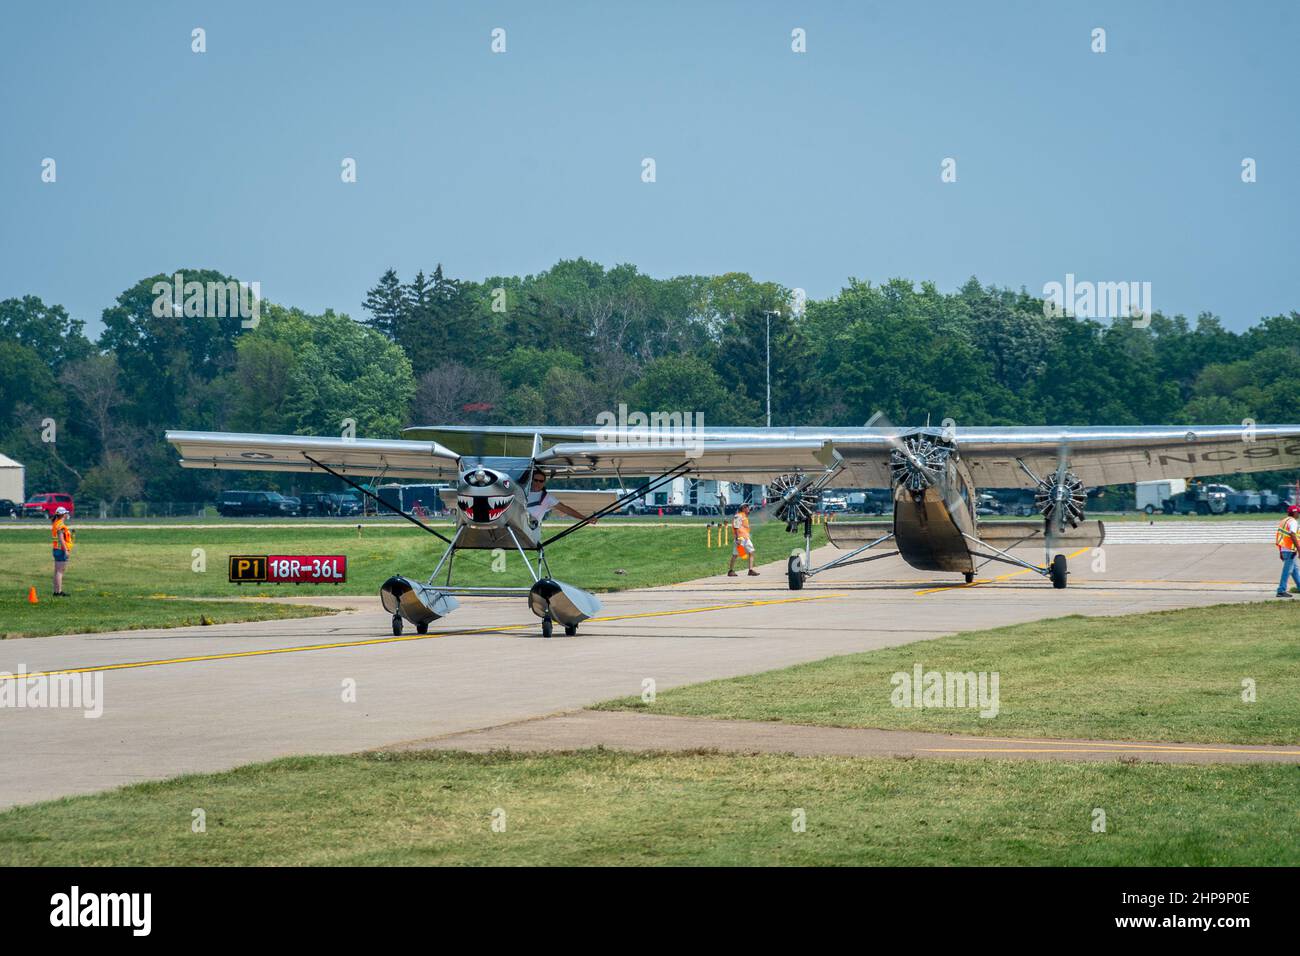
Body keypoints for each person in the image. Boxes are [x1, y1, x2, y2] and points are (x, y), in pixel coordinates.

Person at [527, 470, 596, 524]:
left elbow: (565, 509)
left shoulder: (547, 498)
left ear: (544, 483)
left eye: (541, 481)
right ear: (531, 480)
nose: (538, 483)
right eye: (535, 480)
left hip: (530, 528)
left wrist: (585, 518)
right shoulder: (522, 493)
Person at [727, 503, 758, 577]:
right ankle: (730, 571)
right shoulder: (738, 515)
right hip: (740, 538)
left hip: (746, 538)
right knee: (736, 554)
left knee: (751, 552)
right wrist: (737, 538)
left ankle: (750, 570)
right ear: (743, 508)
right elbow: (736, 527)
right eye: (747, 507)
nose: (748, 508)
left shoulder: (744, 516)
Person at [1276, 504, 1300, 598]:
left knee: (1295, 570)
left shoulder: (1284, 521)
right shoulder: (1293, 522)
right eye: (1298, 512)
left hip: (1285, 549)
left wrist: (1280, 551)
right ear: (1294, 513)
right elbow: (1292, 534)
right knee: (1287, 571)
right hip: (1290, 550)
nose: (1299, 515)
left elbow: (1280, 537)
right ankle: (1281, 590)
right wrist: (1299, 549)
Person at [50, 505, 74, 597]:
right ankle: (58, 592)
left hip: (56, 549)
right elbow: (61, 539)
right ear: (63, 515)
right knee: (60, 572)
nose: (67, 515)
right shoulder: (60, 525)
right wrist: (66, 551)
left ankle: (56, 591)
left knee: (57, 571)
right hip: (61, 550)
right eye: (66, 513)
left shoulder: (56, 523)